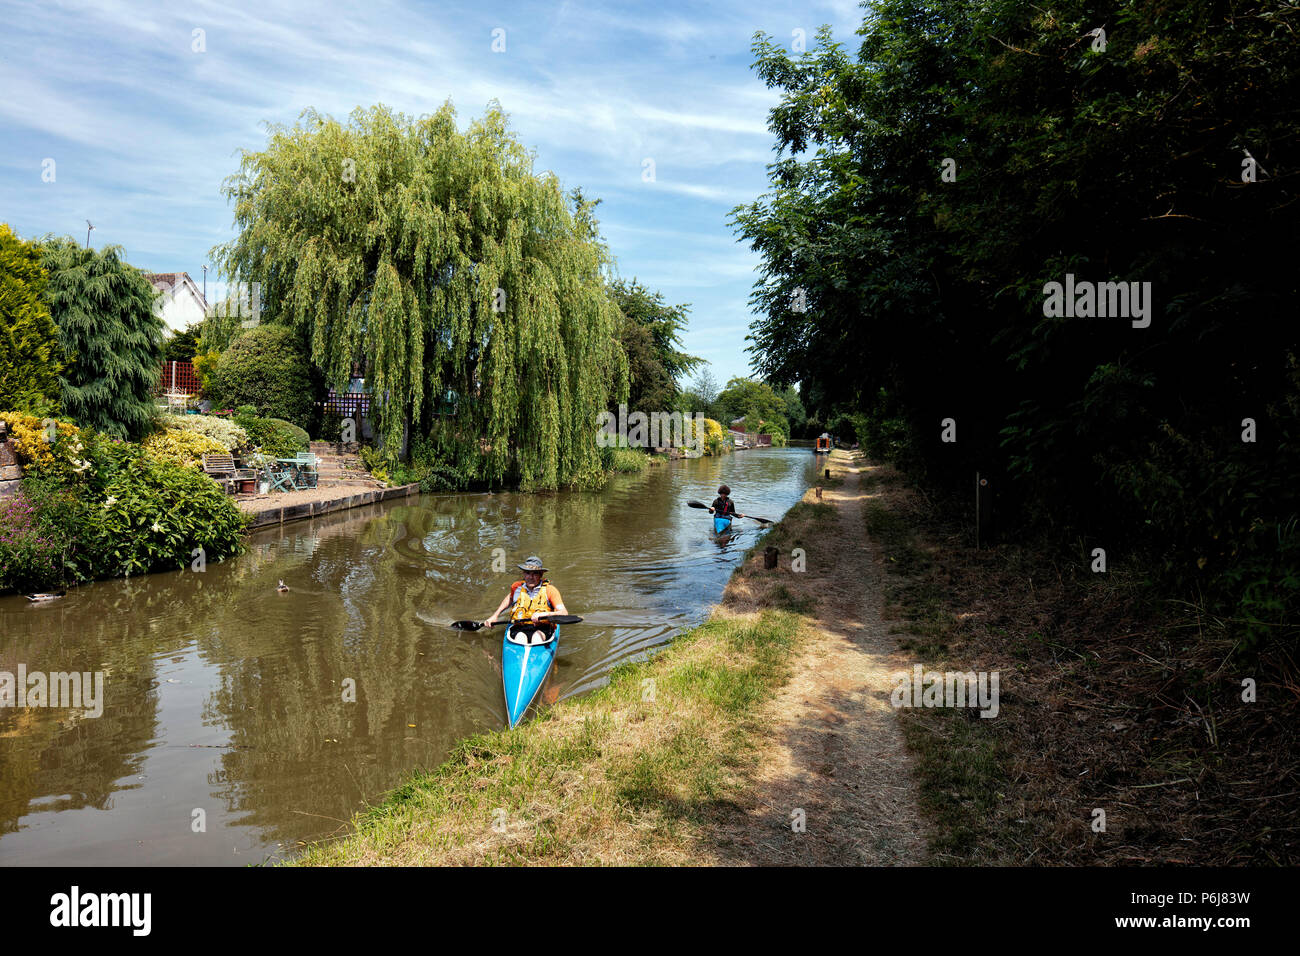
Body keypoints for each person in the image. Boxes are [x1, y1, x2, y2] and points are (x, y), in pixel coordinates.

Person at [484, 555, 568, 643]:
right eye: (528, 573)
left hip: (542, 628)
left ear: (541, 574)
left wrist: (543, 614)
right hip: (520, 627)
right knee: (520, 638)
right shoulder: (516, 588)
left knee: (537, 638)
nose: (530, 577)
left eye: (535, 573)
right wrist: (495, 615)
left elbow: (564, 613)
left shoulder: (550, 590)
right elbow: (510, 598)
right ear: (523, 574)